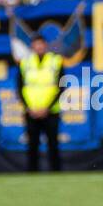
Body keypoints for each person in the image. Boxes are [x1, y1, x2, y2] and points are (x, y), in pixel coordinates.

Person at [18, 34, 63, 172]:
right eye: (36, 44)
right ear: (32, 46)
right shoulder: (25, 63)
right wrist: (28, 107)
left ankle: (56, 173)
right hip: (31, 111)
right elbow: (19, 87)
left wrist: (47, 108)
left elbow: (62, 86)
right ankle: (32, 174)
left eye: (41, 44)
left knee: (53, 144)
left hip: (51, 111)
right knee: (32, 144)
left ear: (46, 45)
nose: (39, 47)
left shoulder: (56, 61)